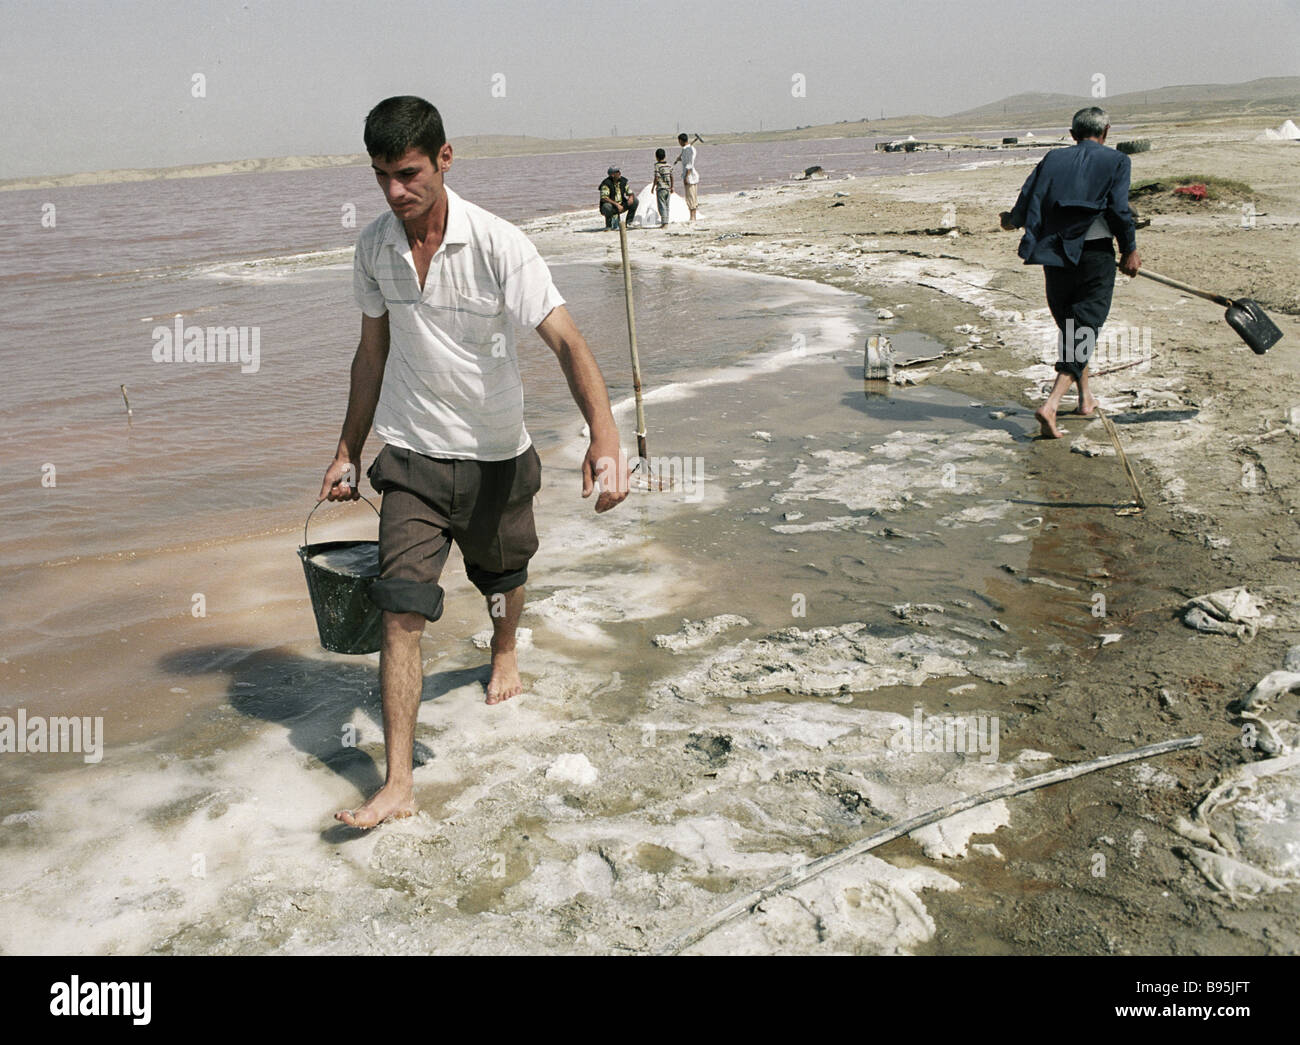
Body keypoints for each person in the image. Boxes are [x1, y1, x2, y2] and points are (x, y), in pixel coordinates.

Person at [319, 96, 628, 829]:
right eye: (381, 177)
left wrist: (605, 437)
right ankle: (398, 782)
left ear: (445, 159)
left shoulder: (498, 245)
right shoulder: (373, 248)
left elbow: (567, 343)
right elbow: (371, 354)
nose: (395, 193)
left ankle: (506, 648)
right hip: (413, 458)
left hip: (495, 457)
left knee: (503, 575)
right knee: (400, 610)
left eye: (408, 173)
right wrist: (346, 451)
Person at [1000, 106, 1140, 438]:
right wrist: (1129, 249)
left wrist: (1012, 220)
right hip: (1094, 257)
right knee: (1084, 328)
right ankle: (1050, 405)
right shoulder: (1117, 161)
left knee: (1074, 328)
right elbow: (1120, 210)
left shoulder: (1052, 159)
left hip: (1055, 254)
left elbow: (1027, 197)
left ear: (1072, 133)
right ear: (1106, 131)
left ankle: (1084, 398)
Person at [598, 165, 637, 230]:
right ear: (612, 175)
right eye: (617, 172)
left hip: (621, 204)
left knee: (635, 201)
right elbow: (604, 198)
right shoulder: (606, 184)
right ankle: (609, 225)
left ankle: (629, 222)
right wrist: (617, 205)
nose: (619, 173)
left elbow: (630, 192)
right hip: (612, 206)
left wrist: (631, 197)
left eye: (619, 171)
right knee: (607, 206)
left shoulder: (623, 181)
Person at [673, 133, 700, 221]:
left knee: (690, 197)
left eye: (679, 141)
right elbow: (687, 159)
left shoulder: (688, 149)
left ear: (681, 141)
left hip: (690, 177)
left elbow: (689, 164)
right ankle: (693, 216)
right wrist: (680, 159)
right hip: (692, 176)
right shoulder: (689, 149)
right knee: (693, 196)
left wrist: (686, 177)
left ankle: (692, 217)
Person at [653, 148, 673, 227]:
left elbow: (656, 177)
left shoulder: (657, 166)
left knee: (662, 206)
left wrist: (653, 186)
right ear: (665, 156)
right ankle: (666, 222)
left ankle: (664, 223)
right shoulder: (668, 165)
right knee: (667, 205)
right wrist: (672, 187)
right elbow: (671, 176)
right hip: (668, 188)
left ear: (656, 157)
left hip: (661, 188)